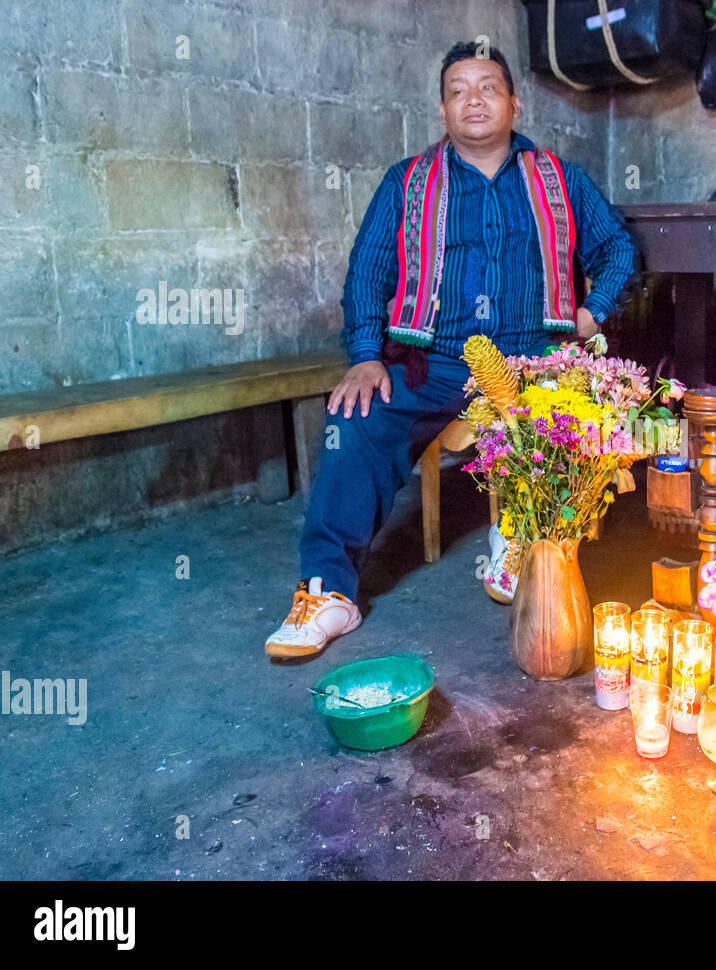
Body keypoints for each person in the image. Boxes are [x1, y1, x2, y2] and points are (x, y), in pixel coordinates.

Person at [265, 42, 637, 659]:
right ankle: (328, 591)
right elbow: (369, 275)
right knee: (356, 416)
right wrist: (363, 354)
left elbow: (618, 251)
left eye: (488, 87)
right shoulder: (406, 183)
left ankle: (520, 535)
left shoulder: (562, 179)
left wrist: (591, 314)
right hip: (431, 362)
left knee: (581, 416)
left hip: (534, 362)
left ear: (514, 103)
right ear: (442, 109)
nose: (474, 99)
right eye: (459, 89)